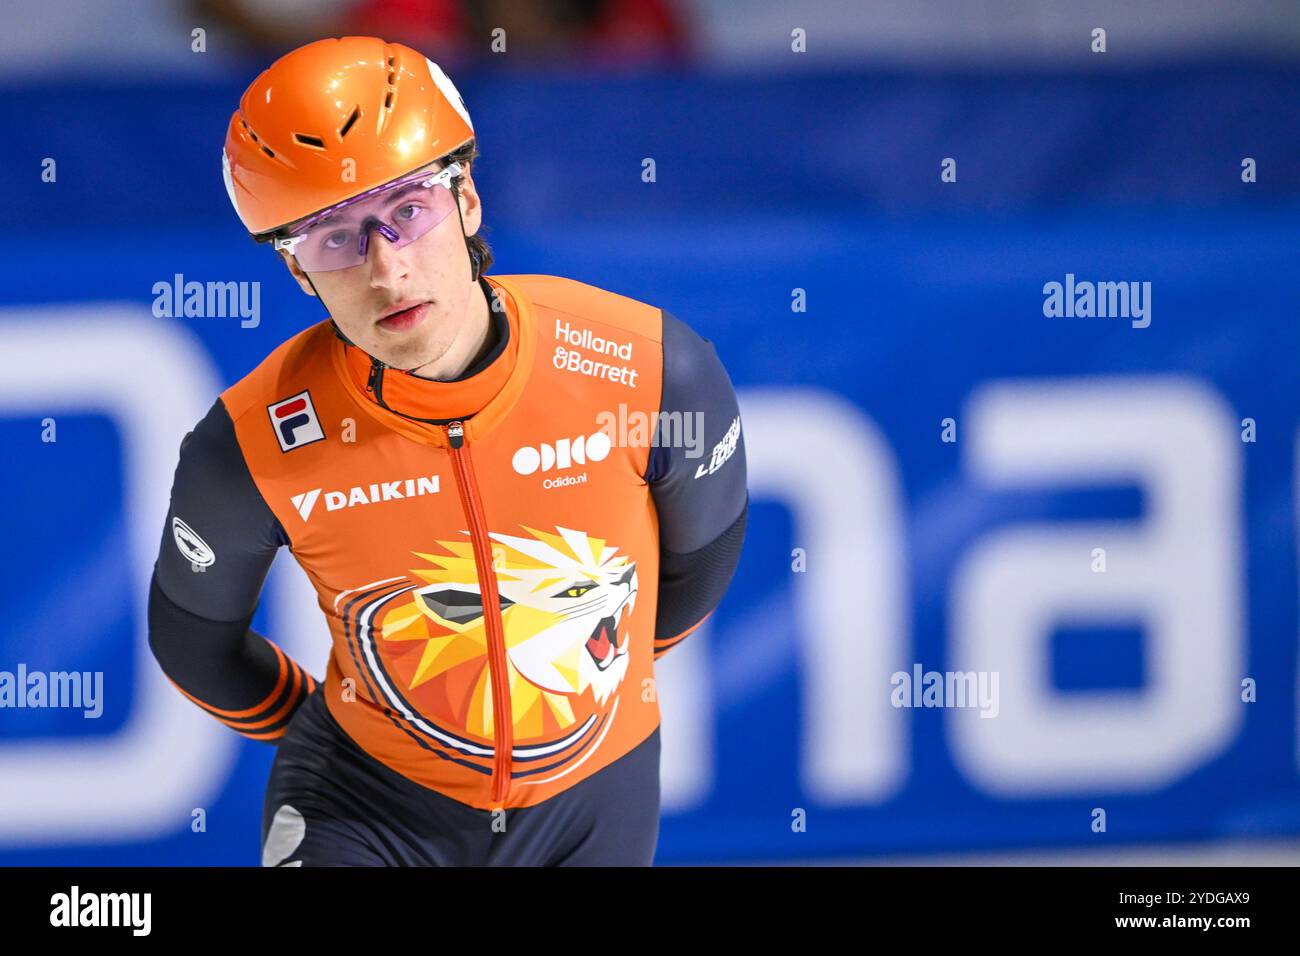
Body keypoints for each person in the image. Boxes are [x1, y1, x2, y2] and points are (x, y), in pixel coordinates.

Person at [148, 35, 747, 866]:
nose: (387, 269)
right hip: (362, 805)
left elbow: (703, 558)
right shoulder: (248, 441)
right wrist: (350, 724)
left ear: (466, 201)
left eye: (408, 210)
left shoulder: (648, 366)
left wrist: (587, 676)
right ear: (296, 273)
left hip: (593, 796)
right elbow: (193, 641)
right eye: (334, 238)